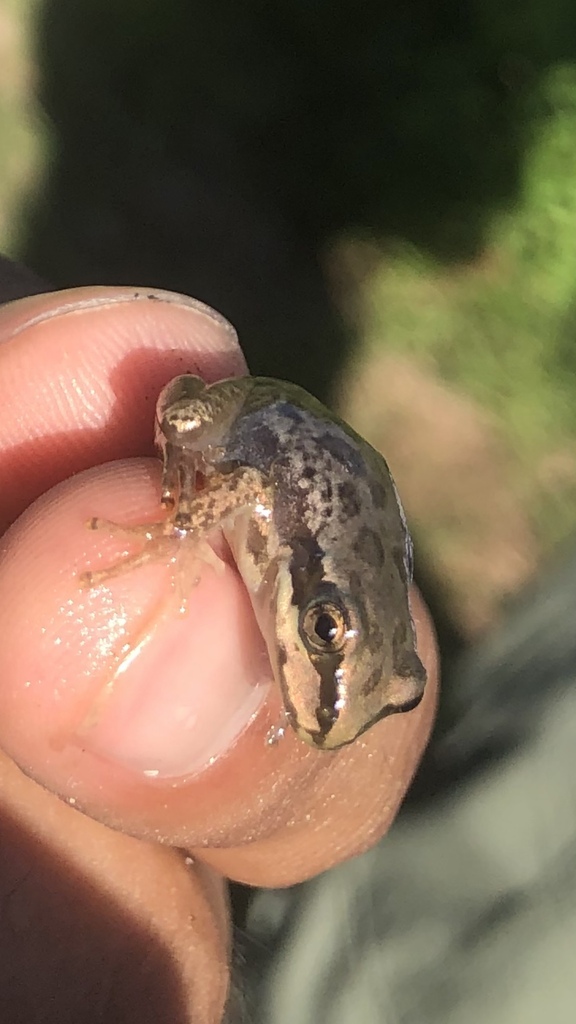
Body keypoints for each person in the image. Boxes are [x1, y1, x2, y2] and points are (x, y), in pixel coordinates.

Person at [0, 258, 438, 1024]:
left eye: (399, 688)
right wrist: (178, 528)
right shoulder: (284, 532)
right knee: (189, 425)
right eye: (324, 635)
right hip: (253, 430)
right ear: (315, 608)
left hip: (321, 483)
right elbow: (257, 487)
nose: (330, 694)